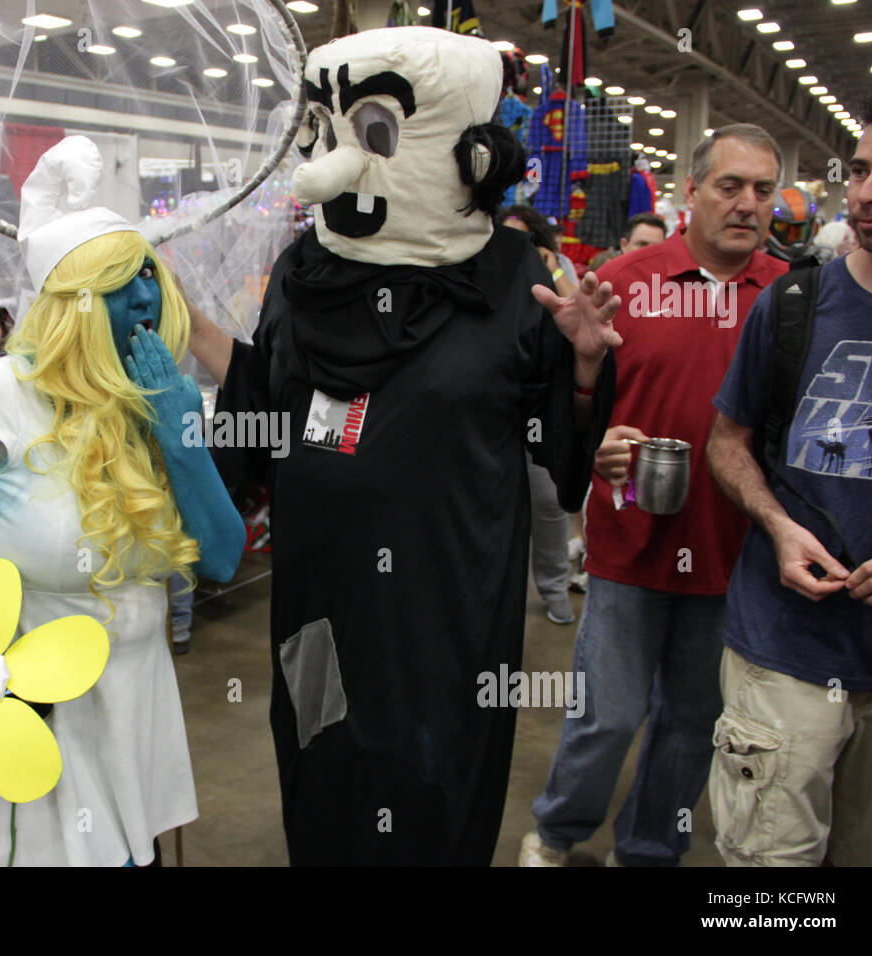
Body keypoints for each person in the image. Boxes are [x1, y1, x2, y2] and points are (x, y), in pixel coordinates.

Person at [188, 27, 617, 865]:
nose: (330, 165)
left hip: (448, 607)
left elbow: (563, 465)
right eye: (325, 129)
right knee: (322, 764)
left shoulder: (513, 280)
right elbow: (263, 412)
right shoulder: (301, 273)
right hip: (317, 597)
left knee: (434, 778)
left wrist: (586, 370)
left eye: (376, 131)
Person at [0, 136, 246, 867]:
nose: (148, 300)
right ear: (75, 304)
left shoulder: (147, 394)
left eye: (150, 278)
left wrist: (179, 435)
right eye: (123, 286)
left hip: (133, 699)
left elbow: (221, 556)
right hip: (31, 712)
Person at [520, 124, 789, 867]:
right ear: (692, 192)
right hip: (630, 545)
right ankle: (558, 832)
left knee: (693, 719)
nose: (747, 203)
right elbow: (577, 415)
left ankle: (647, 850)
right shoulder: (626, 284)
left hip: (735, 557)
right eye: (730, 186)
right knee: (606, 715)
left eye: (762, 190)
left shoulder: (789, 297)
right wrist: (588, 413)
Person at [705, 97, 872, 866]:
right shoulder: (794, 304)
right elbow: (727, 442)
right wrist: (778, 526)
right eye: (862, 170)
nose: (869, 191)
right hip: (786, 655)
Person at [499, 205, 580, 625]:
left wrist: (548, 267)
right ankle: (497, 596)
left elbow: (579, 322)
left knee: (548, 504)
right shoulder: (485, 267)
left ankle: (554, 587)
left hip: (543, 408)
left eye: (525, 238)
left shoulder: (557, 268)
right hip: (494, 407)